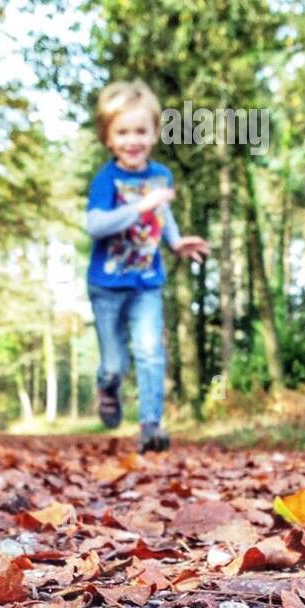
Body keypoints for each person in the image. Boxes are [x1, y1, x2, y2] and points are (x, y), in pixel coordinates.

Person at [85, 80, 210, 448]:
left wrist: (175, 241)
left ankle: (151, 426)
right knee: (114, 365)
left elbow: (163, 212)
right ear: (108, 138)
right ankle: (107, 387)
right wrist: (140, 205)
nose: (132, 140)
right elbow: (96, 226)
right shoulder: (106, 180)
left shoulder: (161, 176)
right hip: (106, 286)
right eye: (122, 132)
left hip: (147, 282)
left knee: (151, 350)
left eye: (140, 131)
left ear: (154, 133)